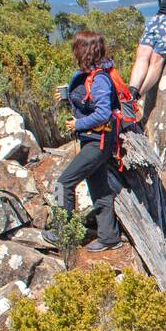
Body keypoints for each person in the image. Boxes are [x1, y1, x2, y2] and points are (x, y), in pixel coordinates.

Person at [43, 31, 124, 253]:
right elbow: (88, 101)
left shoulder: (99, 79)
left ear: (84, 51)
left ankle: (62, 233)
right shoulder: (91, 74)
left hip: (97, 142)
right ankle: (109, 237)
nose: (73, 51)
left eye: (76, 47)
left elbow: (103, 113)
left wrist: (77, 125)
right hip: (98, 141)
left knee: (63, 183)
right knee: (100, 189)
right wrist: (68, 94)